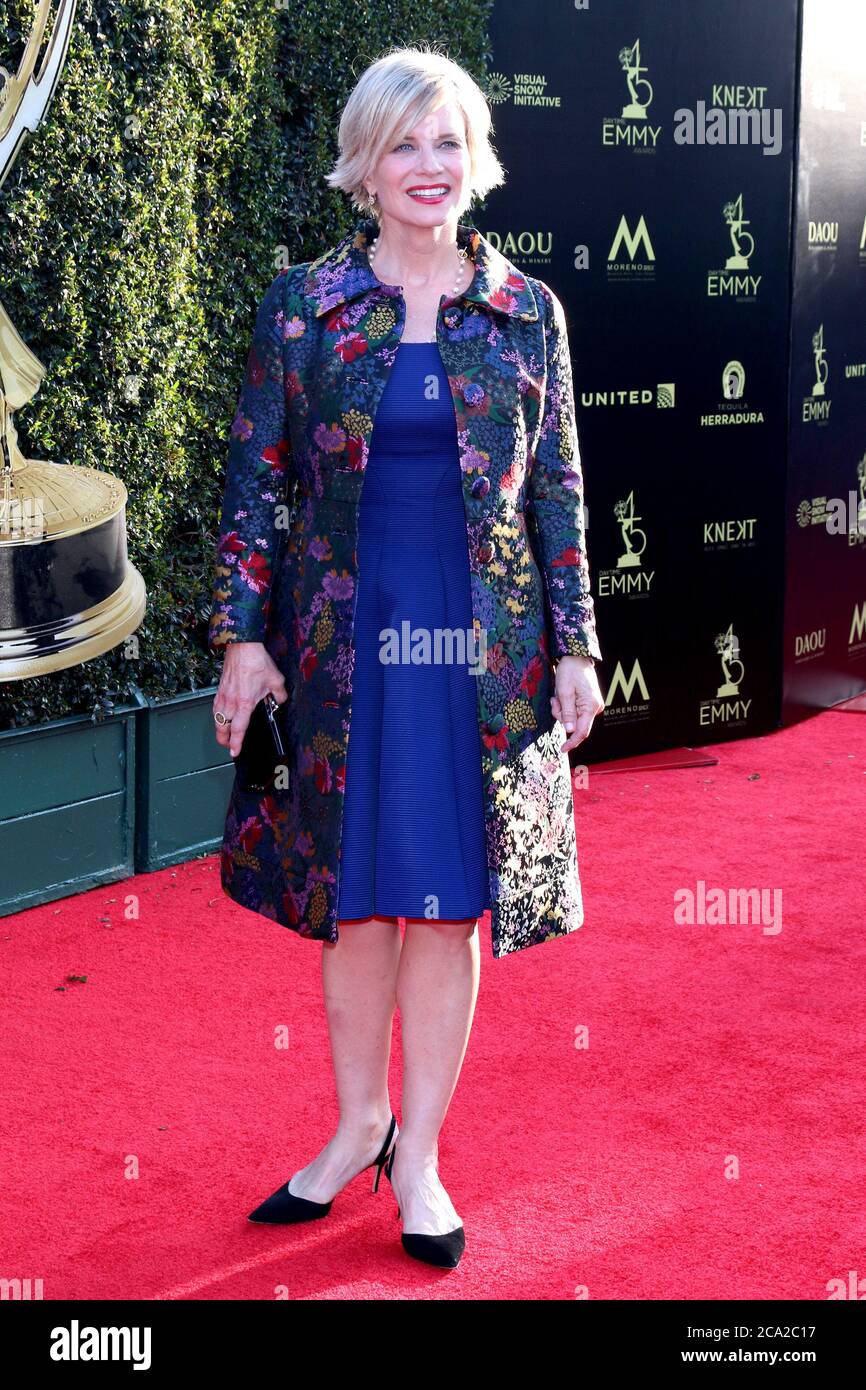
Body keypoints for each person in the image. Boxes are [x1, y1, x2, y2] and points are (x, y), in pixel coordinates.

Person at [210, 45, 604, 1270]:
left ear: (474, 156)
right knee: (356, 905)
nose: (426, 167)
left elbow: (558, 493)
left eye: (446, 142)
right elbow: (255, 486)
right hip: (339, 647)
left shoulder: (526, 312)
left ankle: (419, 1156)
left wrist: (578, 648)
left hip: (477, 653)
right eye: (402, 144)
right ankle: (356, 1123)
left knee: (445, 908)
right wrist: (238, 639)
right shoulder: (302, 306)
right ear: (364, 165)